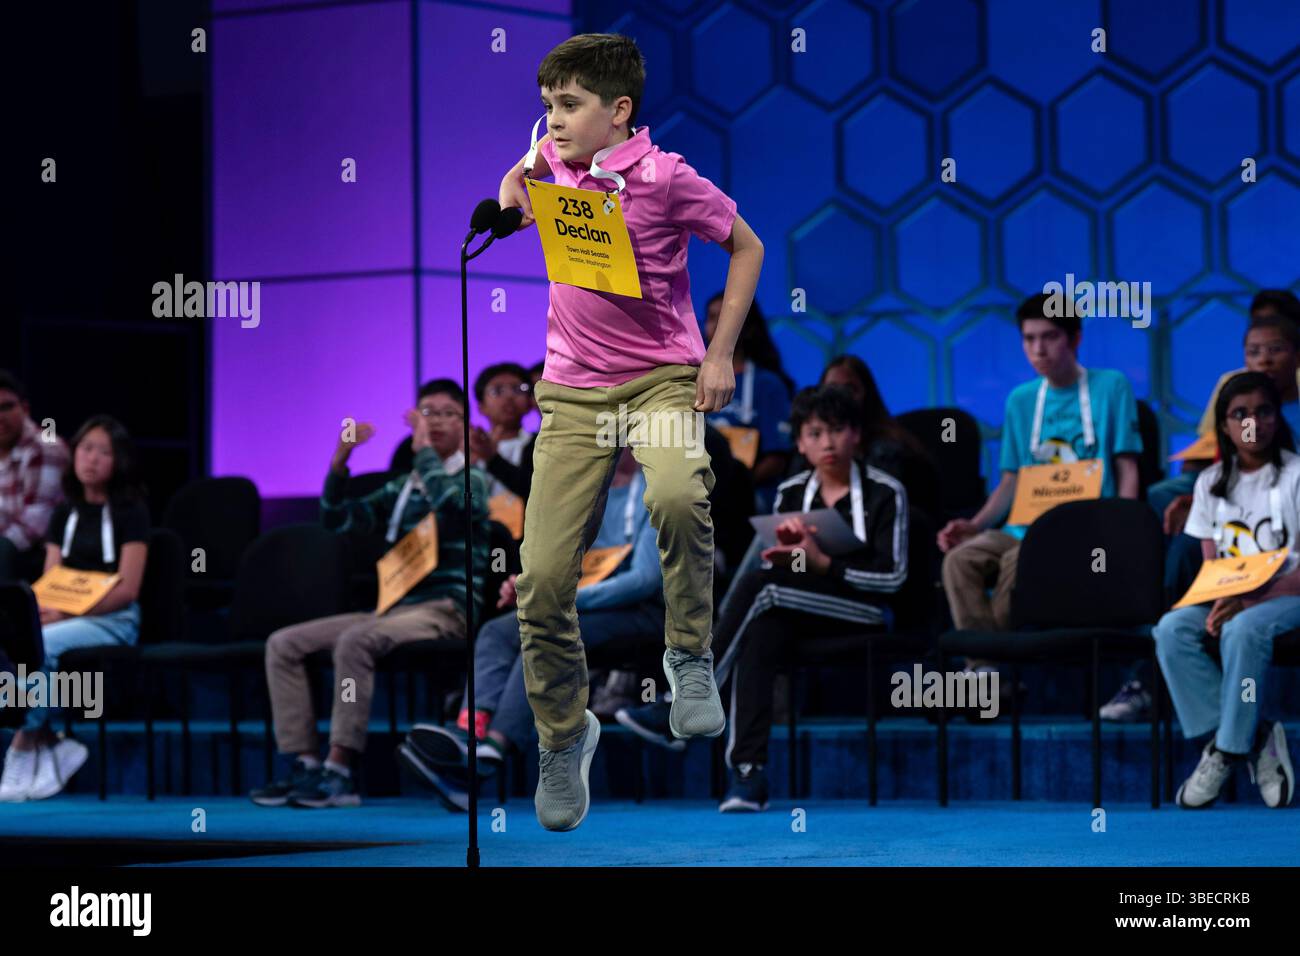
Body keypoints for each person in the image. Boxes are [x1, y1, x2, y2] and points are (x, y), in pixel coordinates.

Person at [497, 32, 763, 830]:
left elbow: (746, 248)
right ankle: (564, 734)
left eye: (570, 105)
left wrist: (719, 355)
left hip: (662, 380)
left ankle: (688, 656)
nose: (555, 119)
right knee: (541, 581)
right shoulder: (551, 164)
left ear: (618, 111)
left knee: (680, 497)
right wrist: (520, 177)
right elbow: (513, 196)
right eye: (547, 106)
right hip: (573, 393)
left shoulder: (667, 176)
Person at [249, 379, 489, 809]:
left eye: (446, 413)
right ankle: (306, 765)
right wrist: (341, 463)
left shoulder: (474, 479)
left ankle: (340, 771)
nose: (434, 420)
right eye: (426, 412)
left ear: (465, 426)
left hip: (445, 609)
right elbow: (335, 521)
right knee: (283, 644)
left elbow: (453, 508)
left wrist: (423, 453)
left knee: (354, 641)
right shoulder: (402, 488)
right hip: (391, 609)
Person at [401, 447, 665, 809]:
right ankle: (469, 734)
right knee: (497, 631)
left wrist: (564, 599)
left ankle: (491, 749)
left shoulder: (657, 485)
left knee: (542, 629)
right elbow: (554, 555)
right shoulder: (583, 484)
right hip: (574, 602)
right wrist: (527, 585)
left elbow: (646, 580)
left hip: (638, 610)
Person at [1103, 300, 1300, 721]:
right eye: (1253, 350)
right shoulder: (1235, 391)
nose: (1263, 359)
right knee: (1174, 516)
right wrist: (1201, 497)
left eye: (1276, 349)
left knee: (1192, 544)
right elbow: (1211, 462)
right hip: (1237, 518)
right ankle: (1162, 653)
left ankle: (1157, 674)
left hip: (1285, 536)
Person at [936, 293, 1142, 682]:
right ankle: (986, 672)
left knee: (1021, 560)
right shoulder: (1021, 400)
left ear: (1075, 338)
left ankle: (994, 671)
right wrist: (975, 526)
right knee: (959, 560)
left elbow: (1126, 467)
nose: (1038, 349)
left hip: (1083, 530)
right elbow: (1012, 480)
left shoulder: (1111, 387)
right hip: (1022, 525)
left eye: (1049, 337)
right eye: (1029, 339)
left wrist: (1123, 532)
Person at [1154, 371, 1297, 809]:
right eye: (1240, 414)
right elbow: (1214, 565)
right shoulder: (1208, 484)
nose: (1252, 423)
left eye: (1262, 412)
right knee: (1173, 628)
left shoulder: (1297, 476)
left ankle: (1227, 749)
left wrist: (1248, 601)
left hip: (1288, 597)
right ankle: (1256, 738)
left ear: (1276, 418)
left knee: (1243, 629)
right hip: (1237, 597)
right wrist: (1219, 602)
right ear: (1224, 426)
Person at [0, 415, 149, 801]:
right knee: (24, 641)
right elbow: (52, 578)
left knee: (42, 647)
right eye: (86, 449)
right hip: (64, 614)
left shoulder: (131, 514)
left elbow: (128, 589)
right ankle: (51, 741)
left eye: (104, 452)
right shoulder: (63, 514)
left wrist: (68, 615)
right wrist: (44, 613)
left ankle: (23, 743)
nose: (92, 459)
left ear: (119, 462)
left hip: (114, 619)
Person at [702, 294, 794, 509]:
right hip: (700, 492)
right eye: (712, 317)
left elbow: (777, 459)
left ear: (748, 326)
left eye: (727, 316)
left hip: (749, 496)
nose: (718, 324)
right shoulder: (689, 381)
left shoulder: (768, 385)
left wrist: (734, 487)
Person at [0, 371, 69, 585]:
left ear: (25, 409)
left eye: (7, 407)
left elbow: (35, 523)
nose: (0, 417)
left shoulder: (45, 447)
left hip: (40, 556)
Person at [466, 362, 535, 499]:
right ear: (481, 407)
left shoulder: (539, 444)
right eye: (497, 390)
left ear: (529, 403)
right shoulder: (468, 445)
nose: (509, 396)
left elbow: (534, 491)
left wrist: (492, 458)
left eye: (518, 389)